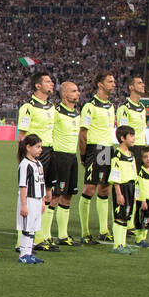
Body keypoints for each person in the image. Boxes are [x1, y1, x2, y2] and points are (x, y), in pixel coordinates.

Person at [15, 71, 56, 251]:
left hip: (49, 151)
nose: (52, 83)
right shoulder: (28, 107)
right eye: (47, 81)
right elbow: (21, 136)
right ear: (38, 85)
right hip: (34, 154)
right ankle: (20, 242)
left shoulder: (51, 107)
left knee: (45, 195)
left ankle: (39, 238)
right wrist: (26, 158)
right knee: (28, 194)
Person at [78, 71, 117, 244]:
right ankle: (85, 232)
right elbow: (83, 134)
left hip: (108, 149)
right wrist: (85, 155)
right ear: (100, 84)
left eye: (113, 81)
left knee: (104, 189)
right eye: (110, 81)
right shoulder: (89, 106)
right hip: (95, 149)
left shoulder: (110, 106)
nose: (113, 84)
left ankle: (104, 230)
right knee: (89, 189)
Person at [48, 80, 82, 247]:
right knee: (54, 196)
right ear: (64, 94)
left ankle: (63, 235)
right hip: (59, 157)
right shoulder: (55, 112)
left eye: (78, 91)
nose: (78, 93)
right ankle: (45, 235)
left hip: (72, 157)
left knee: (67, 197)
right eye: (74, 91)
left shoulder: (77, 113)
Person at [15, 134, 47, 264]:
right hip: (28, 200)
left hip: (38, 200)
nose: (40, 150)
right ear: (28, 147)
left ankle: (29, 253)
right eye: (38, 147)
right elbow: (23, 186)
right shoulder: (24, 164)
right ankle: (23, 254)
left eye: (41, 147)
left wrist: (43, 201)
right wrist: (24, 205)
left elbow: (41, 182)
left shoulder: (38, 163)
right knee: (27, 228)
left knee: (33, 228)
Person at [109, 125, 139, 254]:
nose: (133, 138)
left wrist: (136, 192)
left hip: (131, 187)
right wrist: (119, 193)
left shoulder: (131, 154)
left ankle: (123, 243)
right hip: (121, 187)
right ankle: (117, 245)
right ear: (122, 138)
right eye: (131, 136)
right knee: (120, 216)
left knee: (126, 216)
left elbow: (134, 173)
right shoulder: (117, 155)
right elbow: (115, 175)